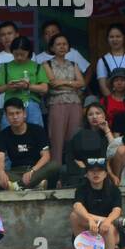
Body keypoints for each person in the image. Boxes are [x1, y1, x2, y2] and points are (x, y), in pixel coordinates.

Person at [0, 98, 58, 190]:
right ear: (6, 116)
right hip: (15, 172)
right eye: (11, 114)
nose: (15, 117)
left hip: (35, 170)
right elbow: (0, 156)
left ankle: (17, 186)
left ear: (24, 114)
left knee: (54, 166)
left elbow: (46, 156)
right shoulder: (3, 134)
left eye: (18, 113)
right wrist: (1, 172)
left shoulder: (37, 130)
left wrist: (32, 171)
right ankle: (35, 185)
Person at [43, 32, 86, 168]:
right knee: (57, 139)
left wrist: (64, 82)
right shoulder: (47, 64)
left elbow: (82, 82)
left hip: (75, 102)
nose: (62, 47)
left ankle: (74, 171)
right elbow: (52, 82)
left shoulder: (73, 64)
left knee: (74, 137)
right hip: (57, 102)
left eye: (64, 44)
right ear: (52, 48)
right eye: (58, 44)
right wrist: (72, 83)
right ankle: (57, 174)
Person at [71, 158, 124, 249]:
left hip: (109, 230)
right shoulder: (81, 189)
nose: (96, 174)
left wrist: (108, 220)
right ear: (86, 174)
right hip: (89, 229)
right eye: (92, 171)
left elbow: (117, 210)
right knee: (74, 216)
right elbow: (77, 206)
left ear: (105, 174)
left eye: (100, 171)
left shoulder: (113, 190)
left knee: (110, 228)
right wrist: (89, 219)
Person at [0, 36, 48, 129]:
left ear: (29, 52)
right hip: (11, 105)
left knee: (35, 135)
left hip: (31, 105)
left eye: (22, 54)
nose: (19, 57)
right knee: (9, 135)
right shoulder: (6, 67)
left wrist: (28, 86)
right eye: (16, 54)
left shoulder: (36, 67)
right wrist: (7, 87)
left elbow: (44, 88)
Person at [96, 23, 125, 98]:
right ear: (107, 39)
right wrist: (114, 101)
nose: (115, 40)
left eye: (118, 36)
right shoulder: (102, 61)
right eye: (111, 37)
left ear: (124, 37)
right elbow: (103, 86)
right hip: (112, 102)